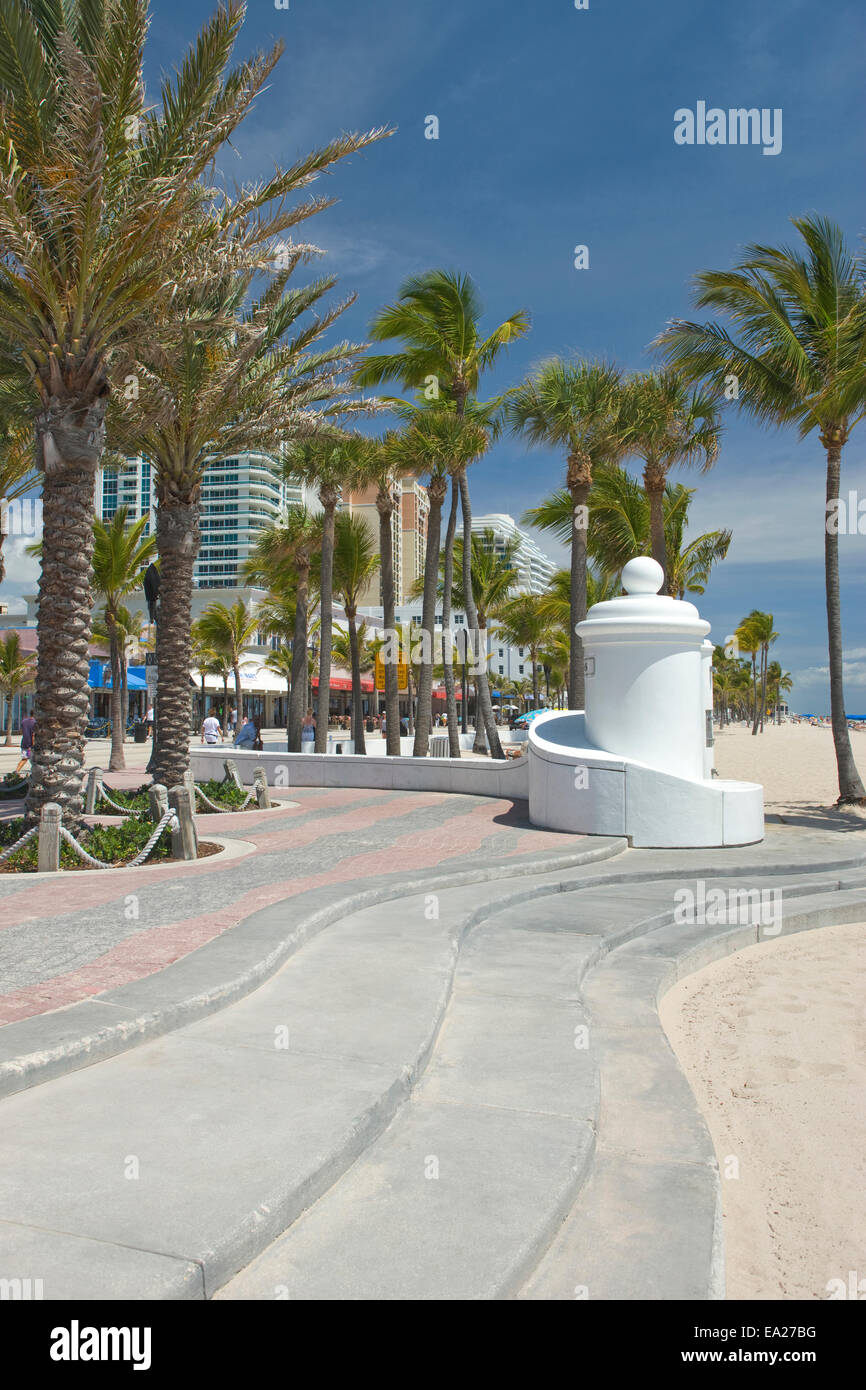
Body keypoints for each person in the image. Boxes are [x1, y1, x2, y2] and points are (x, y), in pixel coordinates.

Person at [15, 711, 36, 777]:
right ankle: (35, 773)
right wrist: (32, 745)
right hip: (30, 744)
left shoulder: (24, 721)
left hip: (24, 743)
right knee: (34, 760)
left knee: (24, 758)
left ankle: (17, 770)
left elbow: (22, 731)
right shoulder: (35, 723)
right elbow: (33, 735)